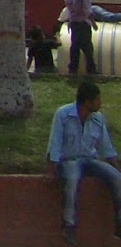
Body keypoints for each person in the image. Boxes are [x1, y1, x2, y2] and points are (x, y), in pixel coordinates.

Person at [48, 79, 121, 244]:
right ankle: (69, 226)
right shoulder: (63, 114)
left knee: (117, 178)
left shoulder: (98, 119)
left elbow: (106, 147)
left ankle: (119, 224)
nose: (100, 103)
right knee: (72, 181)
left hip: (90, 160)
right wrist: (52, 168)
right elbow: (55, 142)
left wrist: (116, 168)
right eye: (97, 99)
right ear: (87, 101)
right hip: (69, 161)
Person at [66, 0, 100, 75]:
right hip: (83, 24)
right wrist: (93, 22)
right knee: (88, 47)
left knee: (75, 46)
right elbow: (87, 10)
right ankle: (91, 69)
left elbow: (68, 6)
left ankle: (73, 68)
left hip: (74, 24)